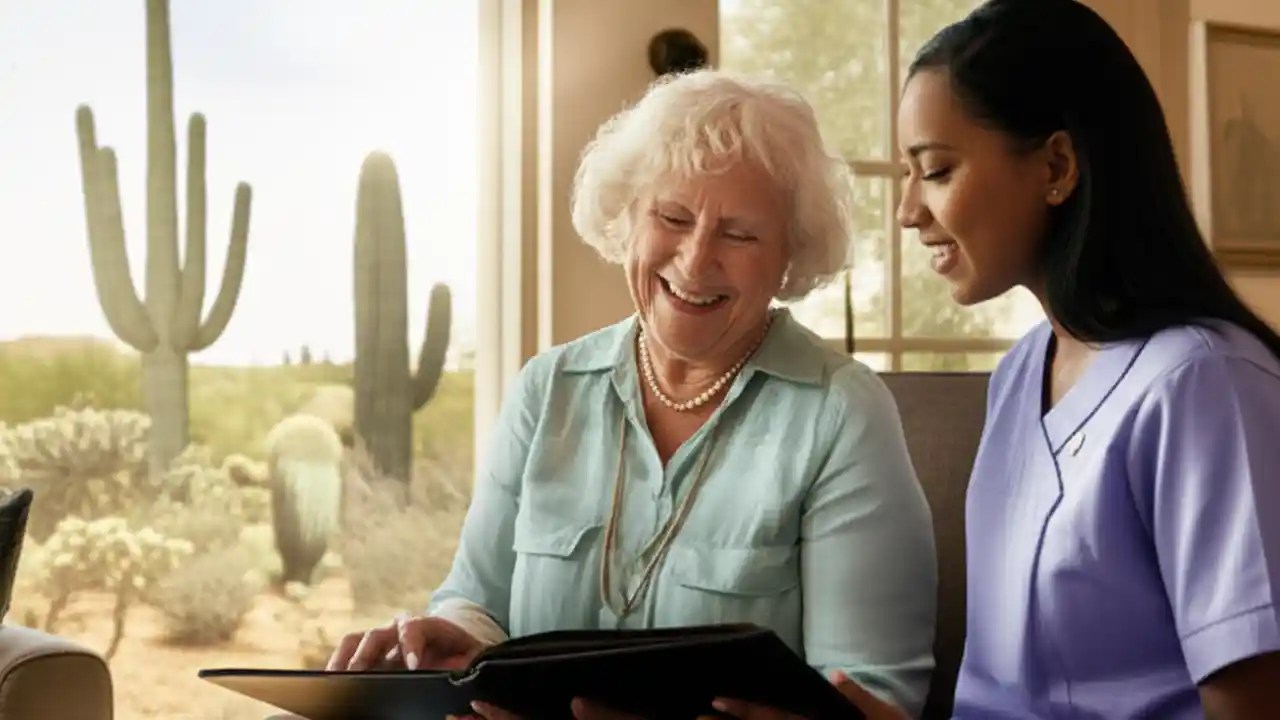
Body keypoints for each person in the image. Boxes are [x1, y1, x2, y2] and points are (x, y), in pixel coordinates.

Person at [325, 69, 939, 719]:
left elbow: (878, 699)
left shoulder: (839, 413)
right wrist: (456, 643)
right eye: (672, 217)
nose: (696, 260)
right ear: (626, 219)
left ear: (790, 253)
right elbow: (476, 599)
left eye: (739, 234)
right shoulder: (548, 388)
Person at [826, 1, 1280, 719]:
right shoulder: (1020, 374)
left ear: (1058, 166)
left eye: (936, 170)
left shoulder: (1203, 384)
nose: (907, 211)